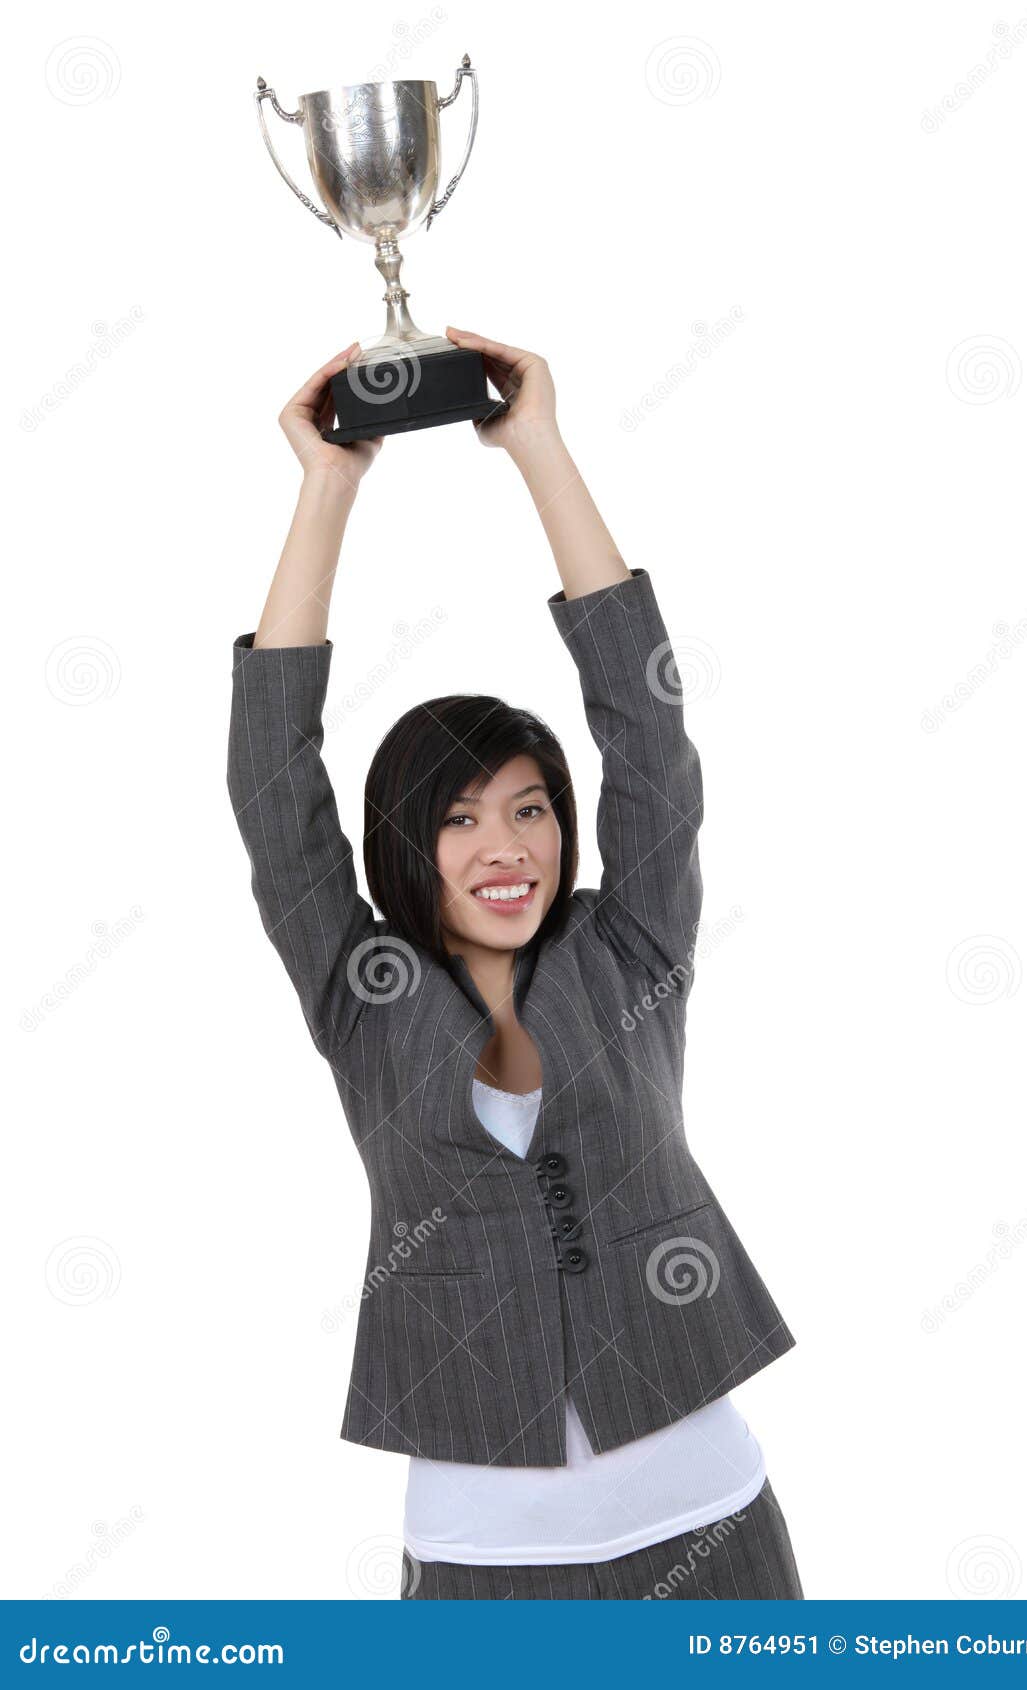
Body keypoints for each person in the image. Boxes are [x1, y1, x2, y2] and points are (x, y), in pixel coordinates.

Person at [226, 328, 803, 1601]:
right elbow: (273, 789)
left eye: (531, 807)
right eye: (460, 815)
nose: (505, 845)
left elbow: (647, 731)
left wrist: (534, 442)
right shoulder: (360, 995)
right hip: (489, 1563)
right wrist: (328, 486)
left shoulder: (627, 946)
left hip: (713, 1530)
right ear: (408, 845)